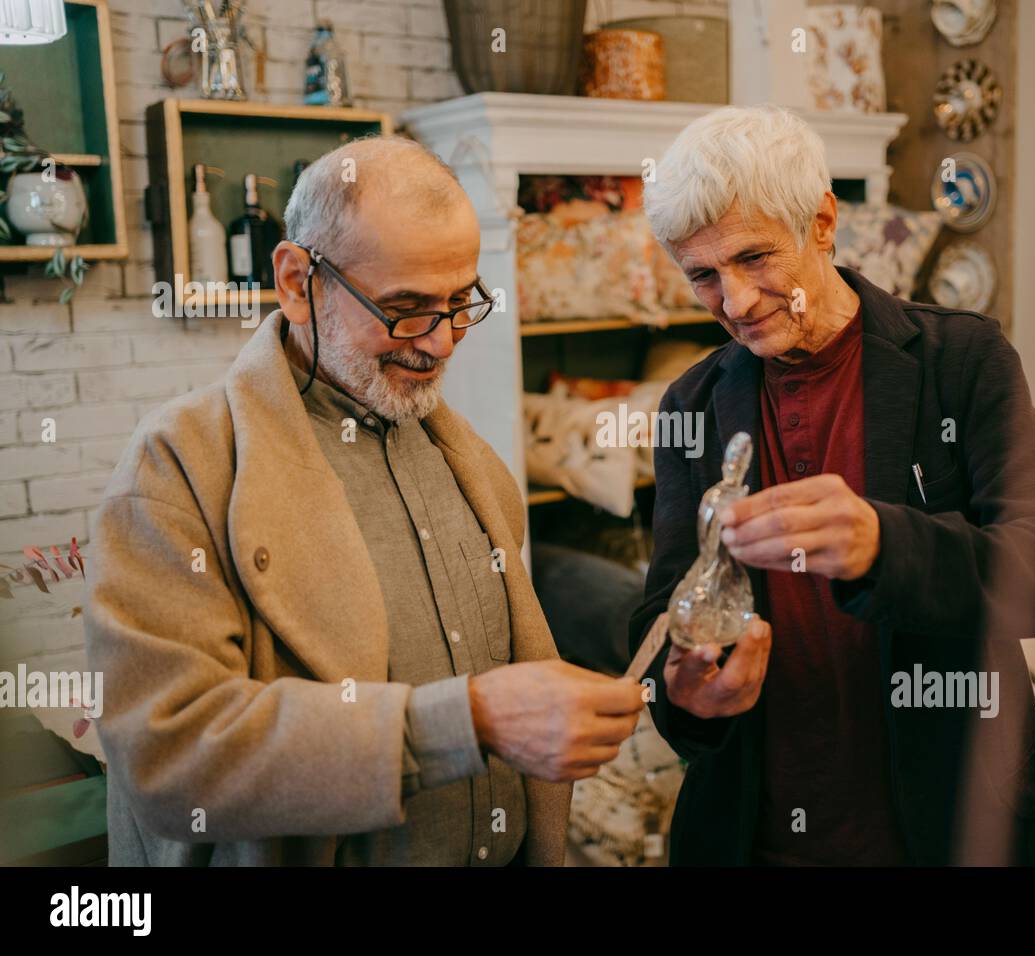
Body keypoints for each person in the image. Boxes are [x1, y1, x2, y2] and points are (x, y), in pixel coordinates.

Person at [85, 136, 643, 866]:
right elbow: (169, 753)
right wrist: (463, 722)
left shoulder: (469, 461)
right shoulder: (177, 469)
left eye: (459, 303)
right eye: (405, 308)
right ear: (295, 281)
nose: (441, 344)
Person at [629, 106, 1035, 866]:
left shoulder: (961, 361)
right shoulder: (690, 405)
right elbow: (663, 609)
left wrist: (887, 546)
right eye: (703, 276)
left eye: (754, 257)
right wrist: (684, 687)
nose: (736, 302)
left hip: (956, 827)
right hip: (763, 836)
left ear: (821, 223)